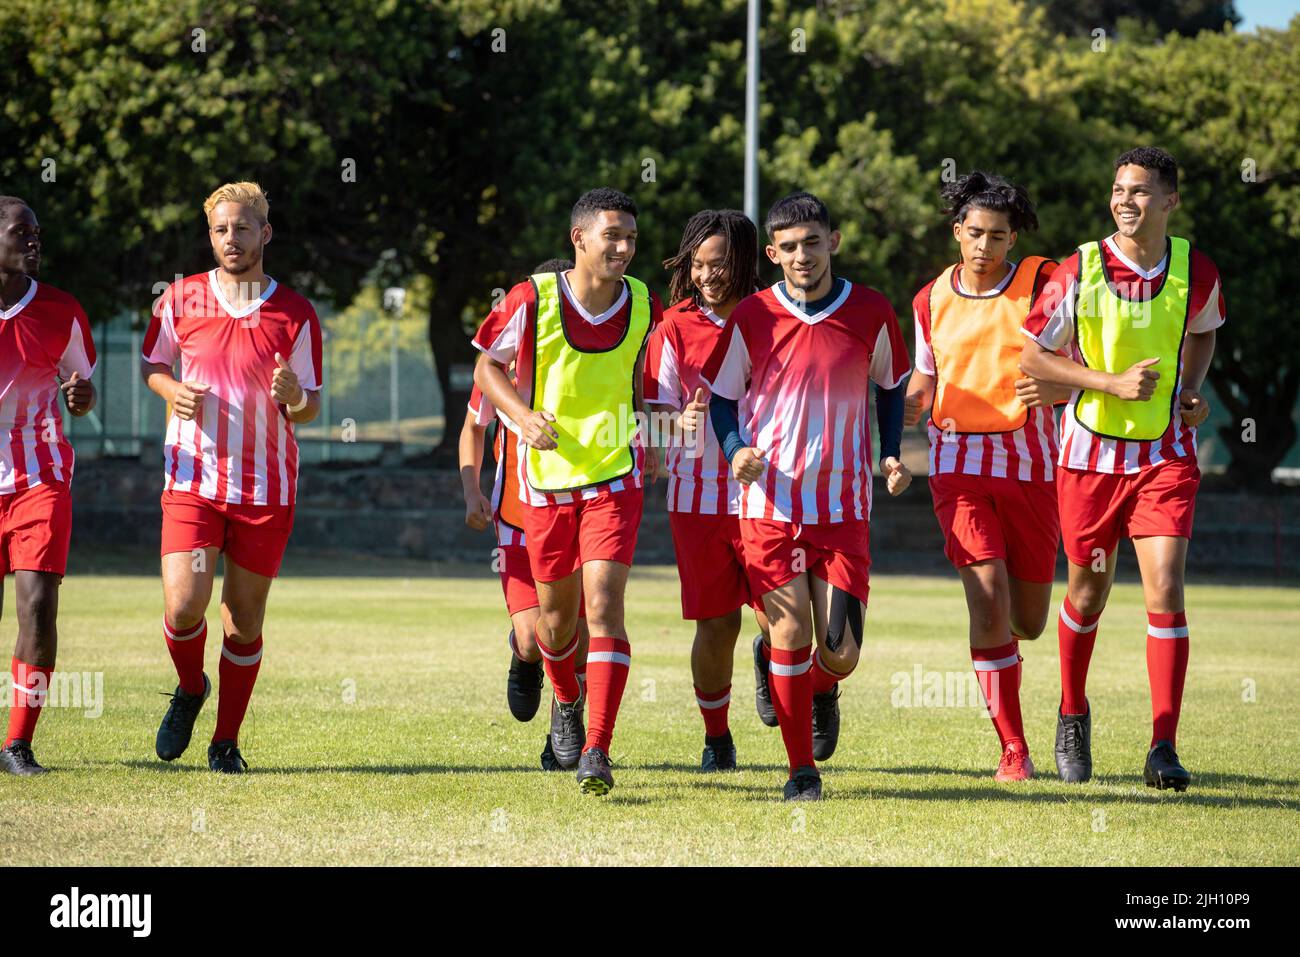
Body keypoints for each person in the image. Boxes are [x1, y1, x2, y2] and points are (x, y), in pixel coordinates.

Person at [1019, 147, 1224, 791]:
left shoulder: (1197, 268)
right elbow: (1032, 358)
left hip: (1165, 457)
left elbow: (1203, 329)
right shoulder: (1075, 268)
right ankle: (1072, 712)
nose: (1124, 201)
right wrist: (1109, 382)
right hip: (1088, 458)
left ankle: (1163, 746)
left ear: (1170, 201)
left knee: (1165, 587)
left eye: (1139, 191)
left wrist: (1189, 390)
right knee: (1088, 593)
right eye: (1117, 190)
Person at [701, 192, 912, 800]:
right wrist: (736, 446)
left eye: (812, 243)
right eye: (789, 247)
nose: (802, 256)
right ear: (772, 253)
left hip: (843, 509)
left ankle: (821, 686)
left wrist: (890, 452)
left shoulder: (870, 310)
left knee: (840, 652)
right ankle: (801, 772)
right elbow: (720, 396)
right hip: (769, 506)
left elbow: (891, 386)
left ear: (833, 242)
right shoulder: (753, 317)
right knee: (793, 632)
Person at [472, 188, 663, 795]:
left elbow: (642, 377)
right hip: (546, 483)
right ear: (578, 238)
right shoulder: (533, 299)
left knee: (604, 606)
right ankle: (566, 701)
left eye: (631, 237)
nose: (625, 248)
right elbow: (486, 368)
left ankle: (598, 750)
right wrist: (522, 416)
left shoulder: (642, 301)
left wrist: (652, 431)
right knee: (555, 628)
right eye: (612, 236)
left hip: (615, 475)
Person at [141, 181, 323, 774]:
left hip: (266, 491)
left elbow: (311, 406)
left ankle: (225, 741)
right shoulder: (181, 298)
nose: (231, 239)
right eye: (221, 229)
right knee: (183, 606)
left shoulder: (294, 312)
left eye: (242, 228)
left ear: (265, 233)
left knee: (243, 623)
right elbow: (153, 365)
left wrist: (295, 396)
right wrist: (172, 390)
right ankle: (191, 688)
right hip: (194, 479)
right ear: (210, 235)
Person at [904, 171, 1065, 782]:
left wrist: (1056, 384)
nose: (984, 247)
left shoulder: (1047, 283)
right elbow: (925, 376)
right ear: (957, 232)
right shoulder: (928, 299)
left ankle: (1015, 669)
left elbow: (1078, 360)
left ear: (1013, 239)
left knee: (1028, 619)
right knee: (988, 599)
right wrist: (908, 407)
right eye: (974, 233)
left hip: (1032, 466)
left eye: (998, 236)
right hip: (957, 465)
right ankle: (1013, 747)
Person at [645, 210, 770, 771]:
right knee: (716, 625)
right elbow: (651, 421)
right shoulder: (672, 326)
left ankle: (775, 661)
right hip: (697, 502)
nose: (706, 274)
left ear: (744, 260)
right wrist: (679, 424)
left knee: (783, 619)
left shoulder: (775, 315)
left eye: (717, 263)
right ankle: (717, 738)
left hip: (773, 496)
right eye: (697, 264)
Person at [458, 258, 590, 770]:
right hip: (516, 518)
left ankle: (565, 722)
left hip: (581, 513)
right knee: (536, 636)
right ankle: (522, 656)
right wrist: (473, 491)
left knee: (576, 632)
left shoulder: (591, 366)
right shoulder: (504, 373)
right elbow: (473, 429)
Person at [0, 197, 98, 775]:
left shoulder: (62, 310)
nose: (34, 241)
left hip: (40, 479)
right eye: (20, 232)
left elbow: (81, 389)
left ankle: (17, 744)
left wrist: (82, 398)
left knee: (37, 605)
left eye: (37, 232)